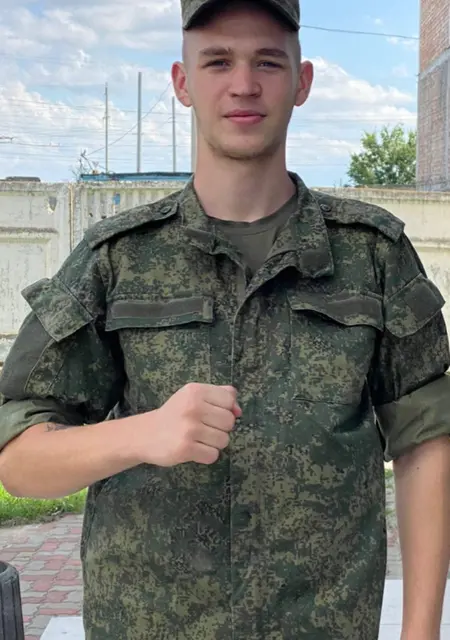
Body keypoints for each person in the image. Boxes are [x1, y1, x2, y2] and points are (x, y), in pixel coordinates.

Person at [0, 0, 449, 637]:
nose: (243, 84)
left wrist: (420, 632)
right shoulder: (116, 259)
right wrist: (141, 434)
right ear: (182, 82)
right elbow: (16, 457)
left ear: (302, 81)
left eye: (268, 61)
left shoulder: (372, 254)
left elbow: (426, 441)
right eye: (218, 61)